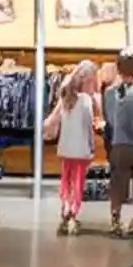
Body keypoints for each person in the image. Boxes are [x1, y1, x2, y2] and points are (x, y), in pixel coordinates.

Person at [44, 61, 99, 236]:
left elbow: (57, 120)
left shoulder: (65, 96)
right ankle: (73, 215)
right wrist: (92, 145)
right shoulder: (86, 101)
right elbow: (88, 126)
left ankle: (64, 209)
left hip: (65, 147)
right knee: (78, 182)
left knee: (66, 180)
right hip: (81, 148)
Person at [104, 47, 133, 238]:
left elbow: (109, 120)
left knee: (117, 183)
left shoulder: (109, 92)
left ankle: (116, 220)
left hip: (118, 142)